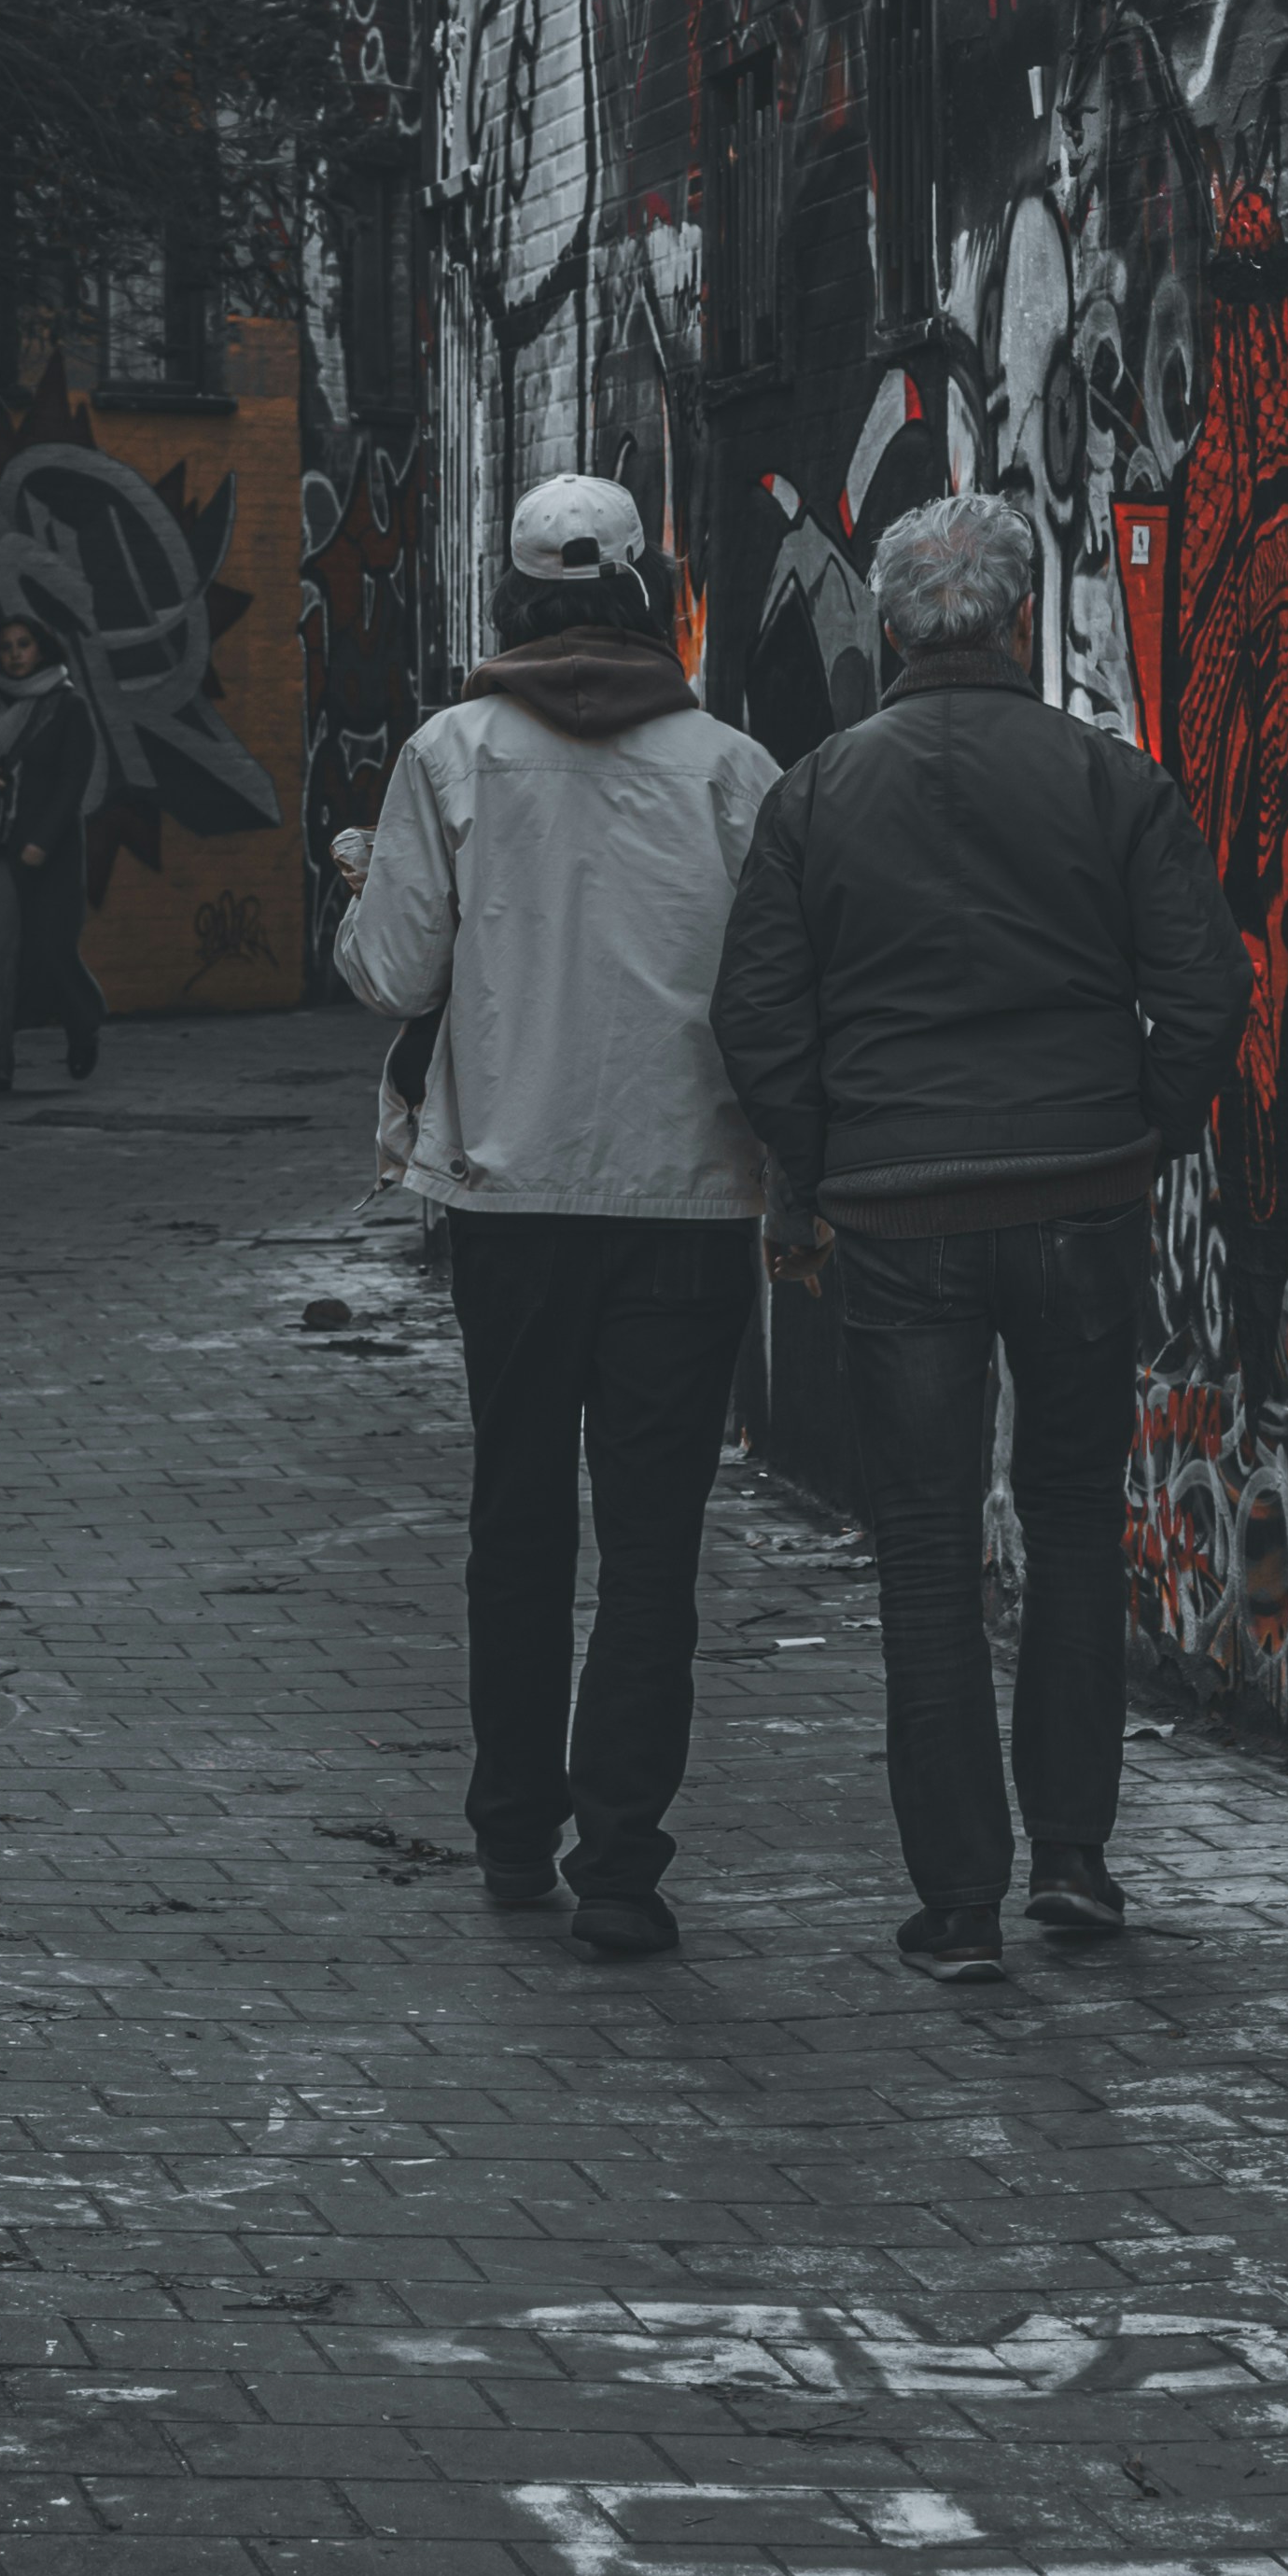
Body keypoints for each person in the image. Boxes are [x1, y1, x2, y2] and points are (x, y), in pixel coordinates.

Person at [707, 494, 1241, 1984]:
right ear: (1016, 619)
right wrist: (1140, 1133)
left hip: (902, 1211)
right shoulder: (1111, 781)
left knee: (928, 1551)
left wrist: (824, 1167)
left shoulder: (816, 794)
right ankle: (1073, 1857)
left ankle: (956, 1909)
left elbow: (756, 1016)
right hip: (1079, 1196)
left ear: (890, 626)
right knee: (1072, 1523)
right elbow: (1206, 990)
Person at [335, 475, 779, 1958]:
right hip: (687, 1198)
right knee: (653, 1544)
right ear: (647, 592)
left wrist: (361, 890)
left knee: (517, 1517)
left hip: (512, 1201)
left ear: (511, 599)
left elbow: (394, 975)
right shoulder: (732, 768)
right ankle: (624, 1865)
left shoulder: (452, 754)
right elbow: (773, 986)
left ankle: (513, 1831)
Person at [0, 614, 105, 1095]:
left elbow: (72, 781)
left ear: (41, 650)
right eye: (6, 647)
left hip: (49, 853)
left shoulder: (68, 707)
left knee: (52, 951)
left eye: (24, 644)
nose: (15, 654)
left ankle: (83, 1022)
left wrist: (42, 842)